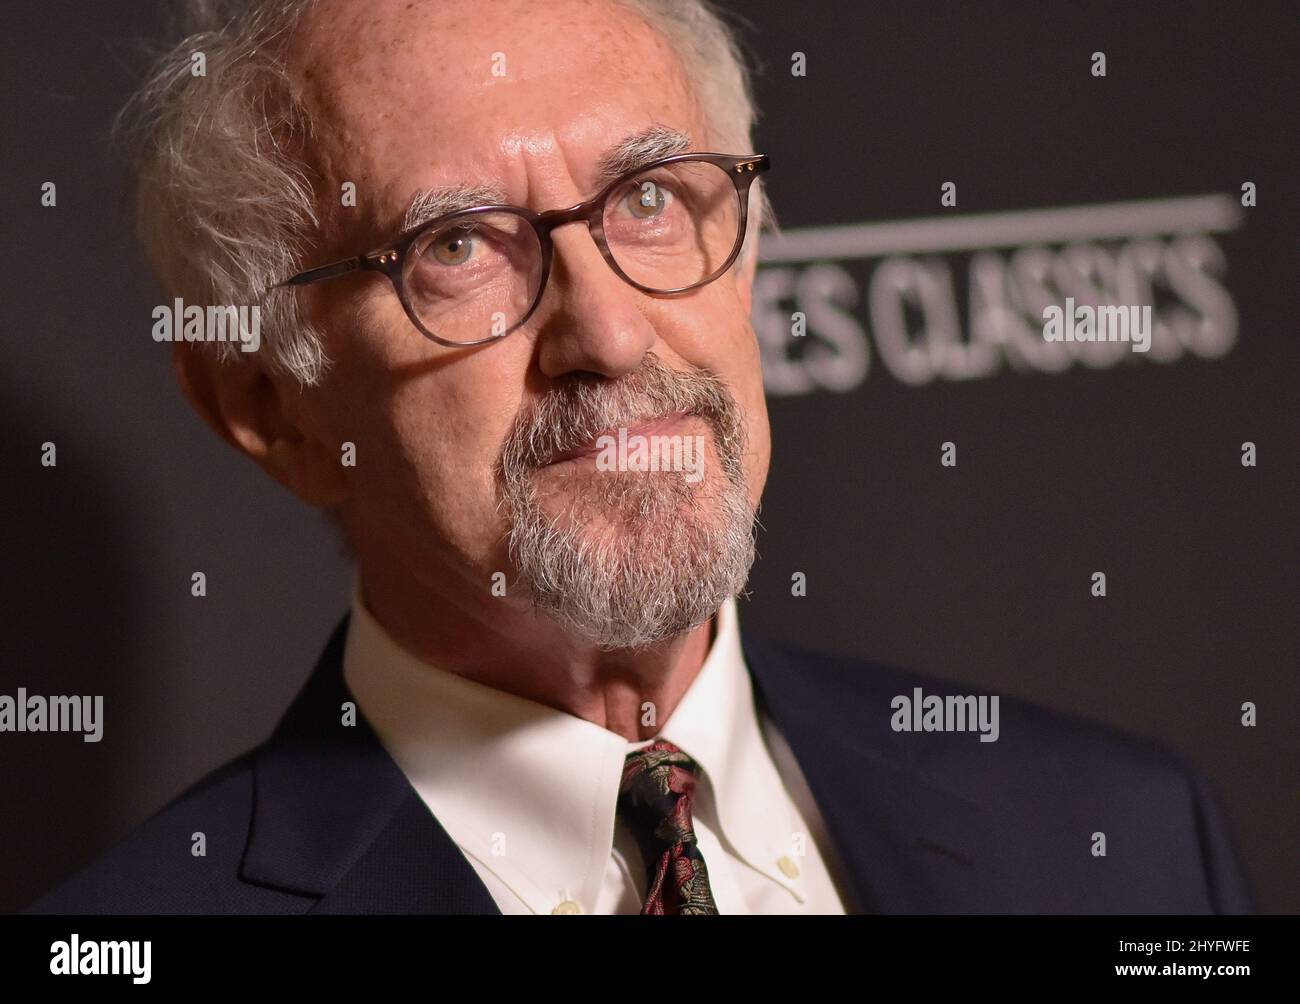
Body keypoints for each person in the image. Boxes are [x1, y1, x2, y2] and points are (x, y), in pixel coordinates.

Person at [29, 0, 1253, 915]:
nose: (608, 333)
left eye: (651, 198)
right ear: (269, 407)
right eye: (455, 243)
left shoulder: (1120, 838)